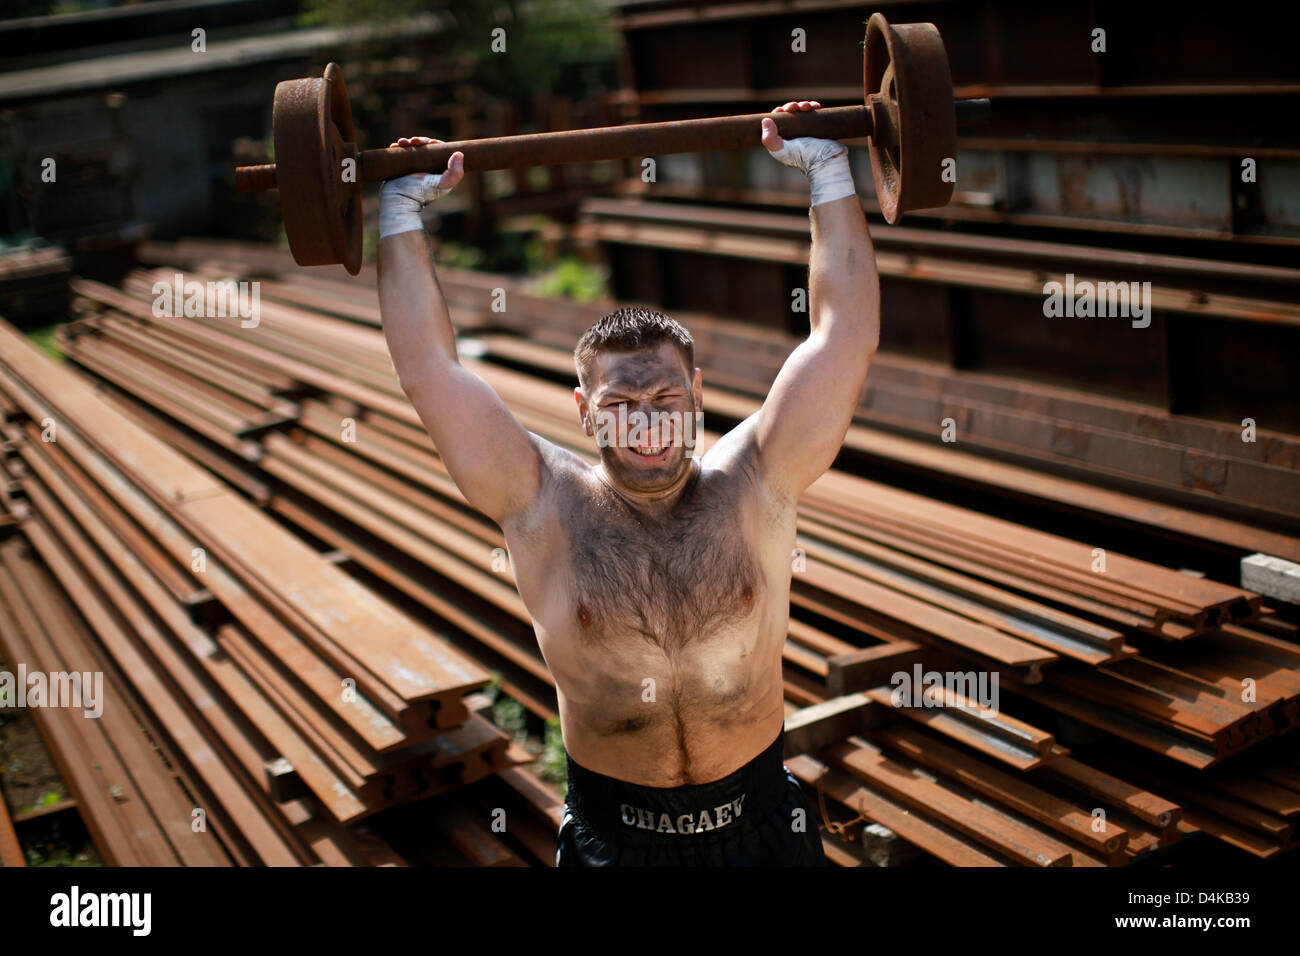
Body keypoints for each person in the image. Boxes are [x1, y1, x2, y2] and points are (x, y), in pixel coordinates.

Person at [377, 100, 878, 865]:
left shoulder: (758, 482)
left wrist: (829, 171)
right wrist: (400, 210)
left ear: (698, 395)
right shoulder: (540, 501)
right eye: (620, 404)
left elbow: (841, 333)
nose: (647, 422)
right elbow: (429, 372)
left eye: (666, 400)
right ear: (583, 411)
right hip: (619, 838)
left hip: (764, 824)